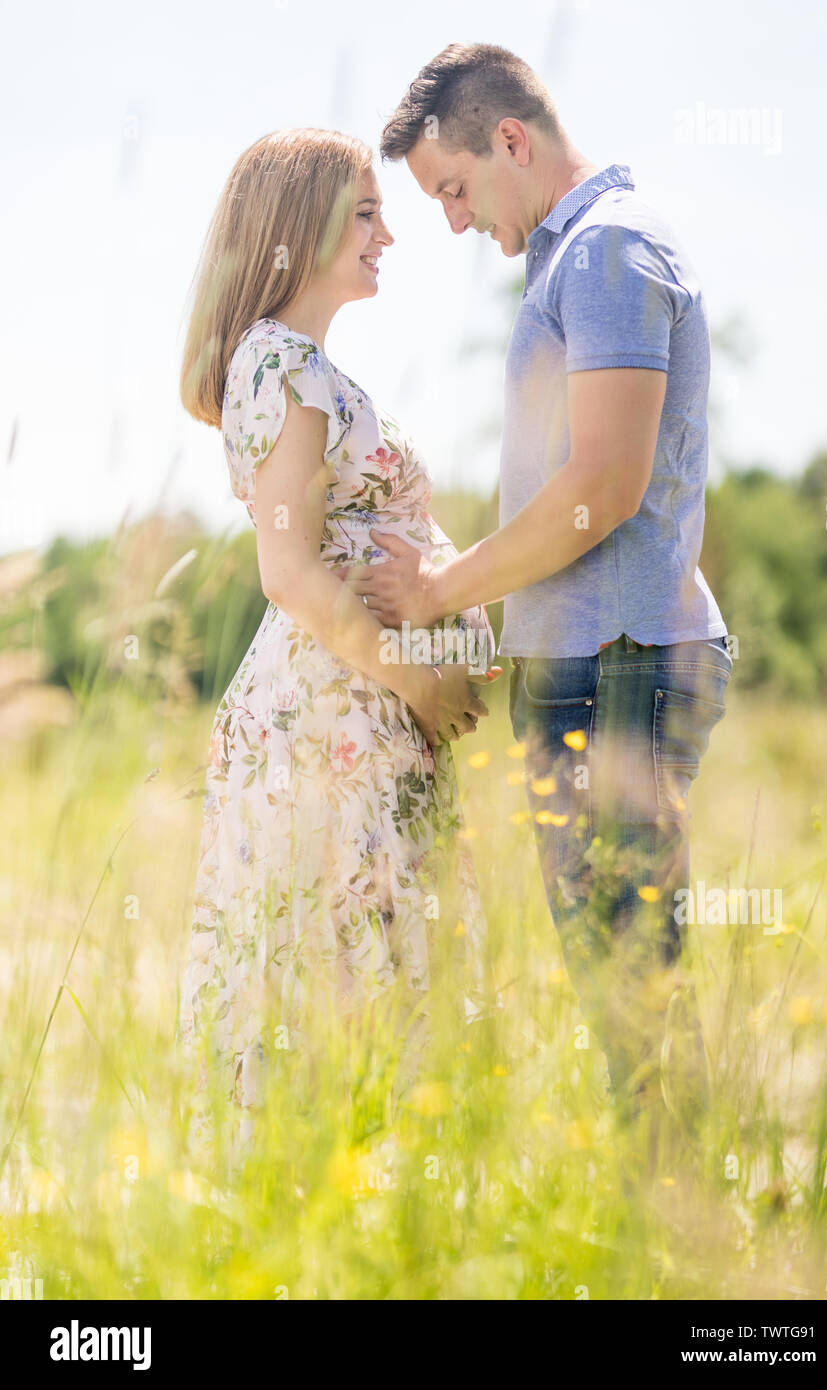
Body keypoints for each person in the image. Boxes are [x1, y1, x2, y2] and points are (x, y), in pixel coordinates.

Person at [347, 44, 733, 1136]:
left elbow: (603, 486)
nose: (455, 222)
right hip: (589, 662)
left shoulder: (607, 251)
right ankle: (667, 1229)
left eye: (455, 190)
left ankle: (686, 1252)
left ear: (508, 140)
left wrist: (436, 588)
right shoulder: (569, 259)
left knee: (631, 983)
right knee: (617, 976)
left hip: (619, 663)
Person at [176, 128, 500, 1145]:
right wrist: (420, 683)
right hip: (334, 720)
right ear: (297, 229)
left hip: (354, 717)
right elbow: (289, 571)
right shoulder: (277, 363)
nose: (389, 234)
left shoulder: (299, 363)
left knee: (358, 968)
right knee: (334, 977)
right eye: (365, 212)